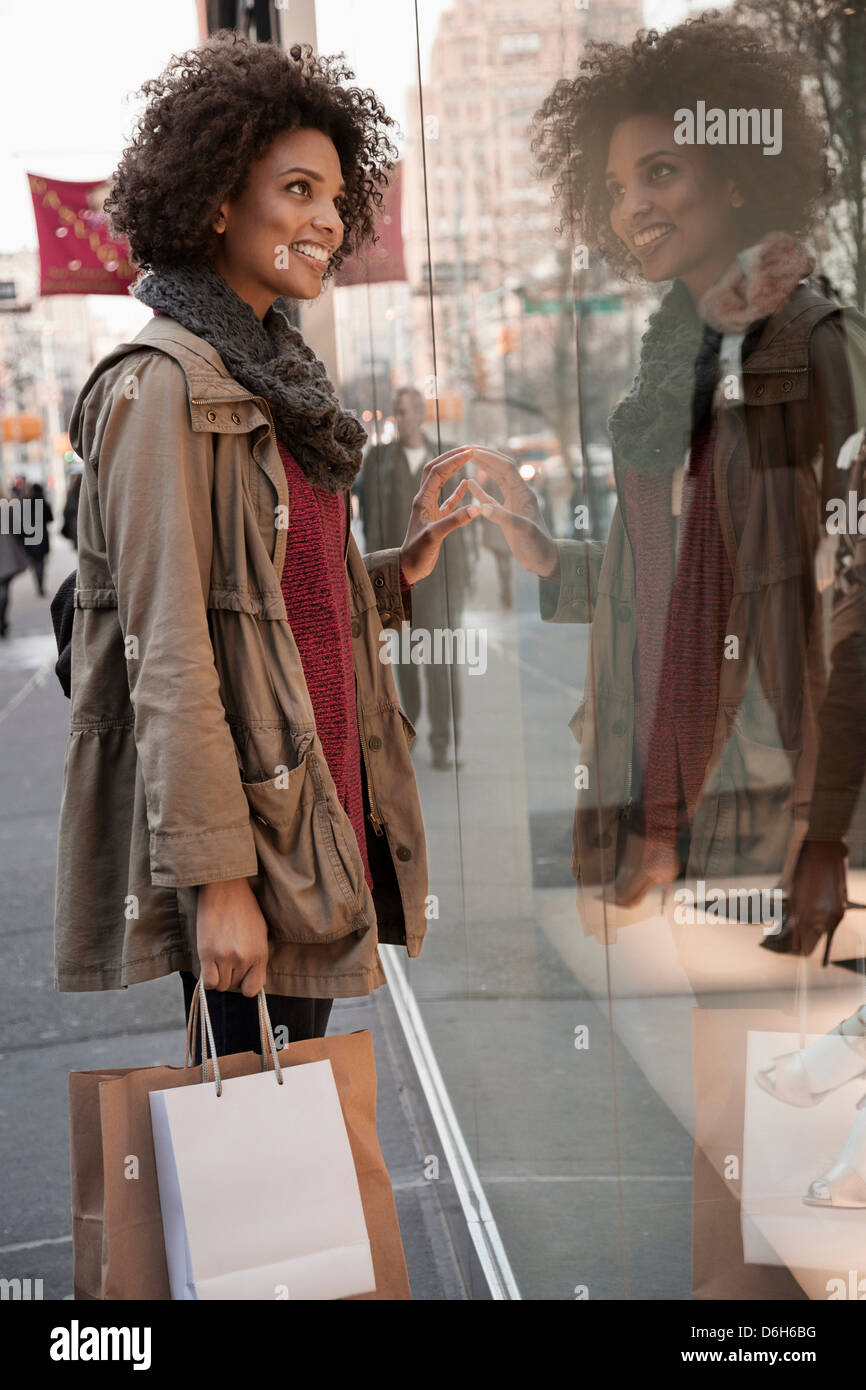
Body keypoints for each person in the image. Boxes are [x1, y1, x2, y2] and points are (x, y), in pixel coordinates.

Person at [52, 33, 492, 1060]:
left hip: (316, 817)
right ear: (214, 198)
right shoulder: (161, 386)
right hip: (251, 846)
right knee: (256, 1168)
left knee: (287, 1163)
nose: (326, 222)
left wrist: (390, 577)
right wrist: (216, 885)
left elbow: (271, 601)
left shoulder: (275, 374)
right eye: (296, 188)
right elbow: (168, 649)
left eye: (337, 198)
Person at [472, 15, 866, 930]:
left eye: (660, 172)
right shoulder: (671, 374)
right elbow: (682, 580)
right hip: (681, 819)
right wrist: (551, 559)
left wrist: (824, 836)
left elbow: (851, 612)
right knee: (723, 1076)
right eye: (614, 186)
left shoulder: (817, 352)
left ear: (737, 177)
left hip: (783, 832)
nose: (630, 207)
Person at [361, 387, 476, 768]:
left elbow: (465, 521)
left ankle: (444, 744)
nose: (401, 418)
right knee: (407, 662)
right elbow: (371, 518)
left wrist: (465, 573)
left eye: (407, 411)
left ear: (422, 416)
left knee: (441, 663)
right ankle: (411, 735)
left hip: (442, 579)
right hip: (398, 578)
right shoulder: (380, 461)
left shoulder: (445, 457)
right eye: (397, 411)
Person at [0, 482, 29, 637]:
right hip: (7, 553)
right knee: (3, 589)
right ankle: (2, 620)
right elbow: (18, 528)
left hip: (6, 553)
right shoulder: (6, 505)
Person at [26, 480, 53, 595]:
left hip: (30, 535)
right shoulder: (44, 503)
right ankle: (41, 584)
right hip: (41, 535)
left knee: (34, 561)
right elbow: (51, 518)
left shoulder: (25, 503)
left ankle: (38, 583)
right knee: (41, 561)